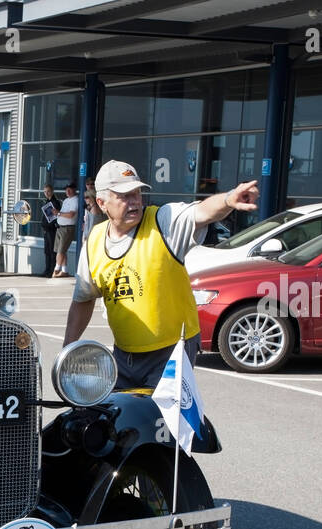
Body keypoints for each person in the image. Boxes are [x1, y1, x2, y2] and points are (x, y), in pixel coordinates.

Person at [64, 160, 259, 389]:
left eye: (137, 193)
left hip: (171, 352)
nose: (134, 200)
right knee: (118, 417)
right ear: (102, 202)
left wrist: (228, 200)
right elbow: (84, 298)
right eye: (124, 195)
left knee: (160, 419)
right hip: (123, 354)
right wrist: (68, 348)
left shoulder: (163, 221)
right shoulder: (95, 240)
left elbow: (202, 212)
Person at [53, 182, 79, 278]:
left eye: (70, 189)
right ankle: (64, 270)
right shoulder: (66, 200)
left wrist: (58, 213)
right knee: (61, 250)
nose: (67, 191)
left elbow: (71, 214)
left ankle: (56, 270)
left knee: (61, 251)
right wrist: (57, 214)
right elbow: (62, 213)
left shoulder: (75, 200)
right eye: (66, 189)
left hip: (68, 228)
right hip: (60, 227)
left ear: (74, 190)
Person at [38, 183, 60, 277]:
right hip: (46, 230)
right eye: (45, 191)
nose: (46, 193)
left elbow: (55, 217)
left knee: (52, 251)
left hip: (52, 230)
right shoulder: (46, 201)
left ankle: (51, 271)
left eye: (48, 191)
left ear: (52, 191)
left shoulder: (55, 202)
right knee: (47, 251)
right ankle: (46, 270)